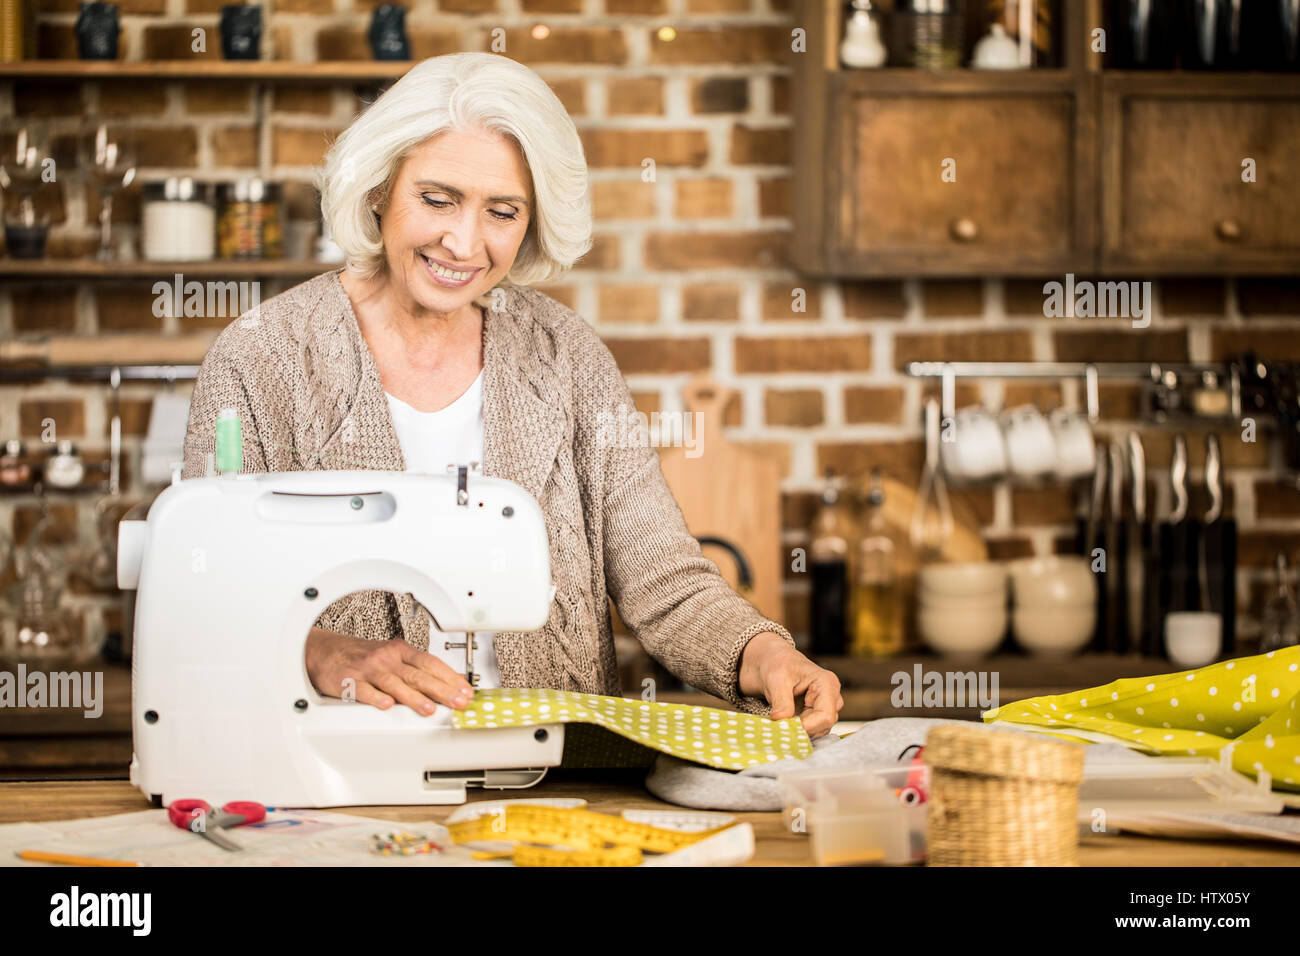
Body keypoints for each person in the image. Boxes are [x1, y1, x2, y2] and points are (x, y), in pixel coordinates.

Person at [182, 53, 843, 737]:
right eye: (436, 200)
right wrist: (319, 652)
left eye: (502, 212)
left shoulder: (567, 357)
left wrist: (760, 651)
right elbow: (202, 594)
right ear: (380, 188)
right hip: (341, 775)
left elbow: (663, 578)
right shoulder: (261, 356)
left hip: (549, 781)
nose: (463, 242)